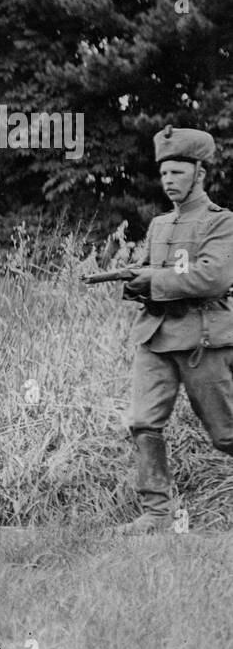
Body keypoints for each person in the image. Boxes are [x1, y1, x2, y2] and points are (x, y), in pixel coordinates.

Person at [116, 125, 233, 534]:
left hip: (203, 337)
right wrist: (136, 285)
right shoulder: (160, 225)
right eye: (164, 174)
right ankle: (157, 514)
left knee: (226, 434)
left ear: (200, 173)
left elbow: (213, 277)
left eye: (178, 173)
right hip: (155, 337)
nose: (169, 181)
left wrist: (154, 280)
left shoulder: (222, 222)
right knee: (142, 422)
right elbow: (149, 274)